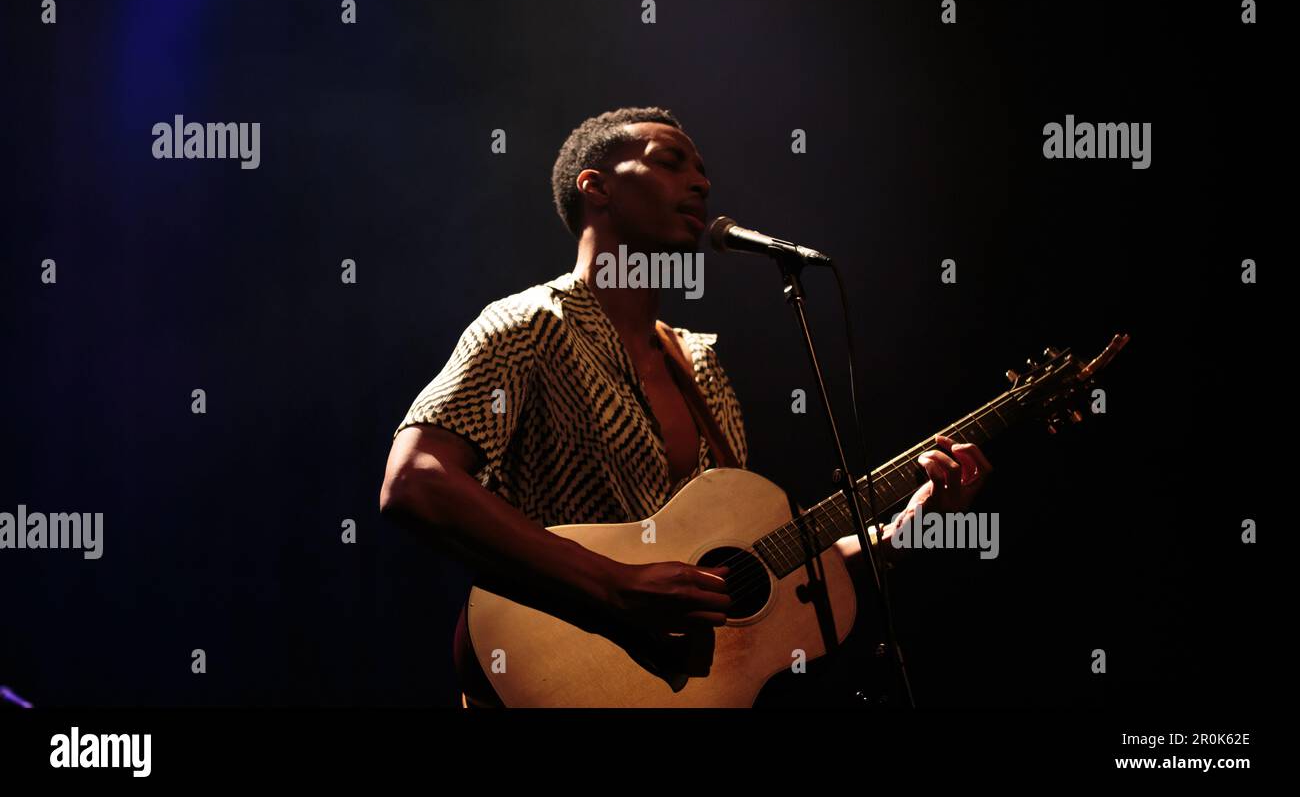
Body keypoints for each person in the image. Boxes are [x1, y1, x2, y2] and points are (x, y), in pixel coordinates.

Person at [379, 106, 991, 707]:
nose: (700, 183)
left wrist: (895, 538)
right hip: (552, 675)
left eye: (702, 173)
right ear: (596, 188)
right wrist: (614, 585)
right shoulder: (527, 326)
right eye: (671, 162)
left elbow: (751, 568)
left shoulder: (700, 364)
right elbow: (414, 483)